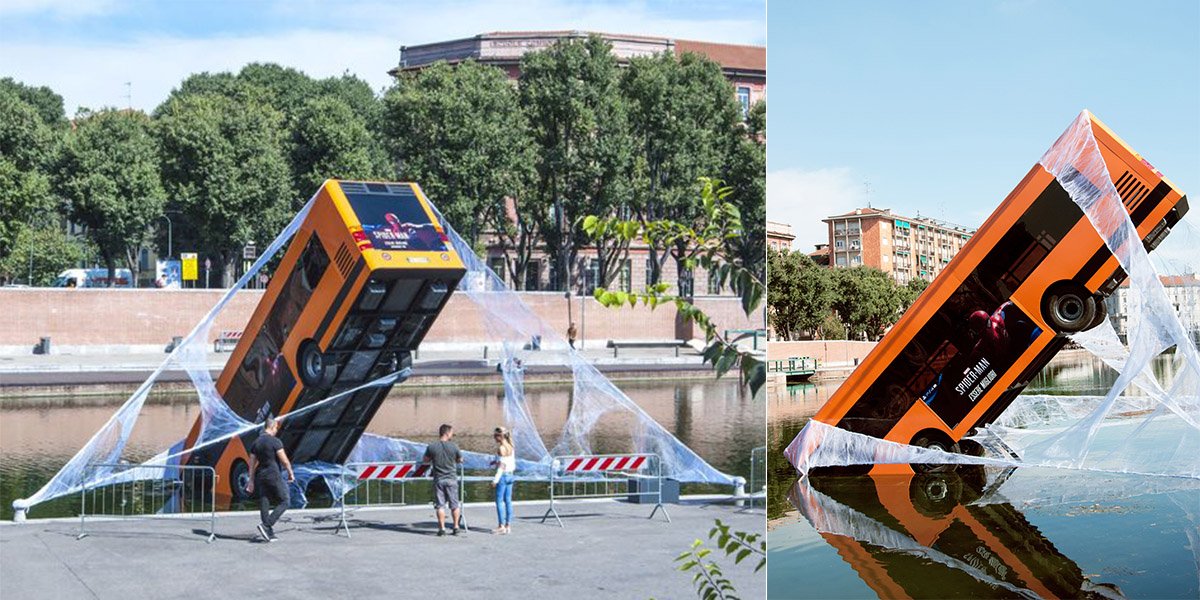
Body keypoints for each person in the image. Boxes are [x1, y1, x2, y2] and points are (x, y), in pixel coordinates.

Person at [247, 416, 294, 542]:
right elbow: (284, 460)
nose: (276, 431)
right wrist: (290, 473)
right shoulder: (275, 442)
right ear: (272, 427)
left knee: (265, 500)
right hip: (273, 474)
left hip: (261, 475)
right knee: (285, 501)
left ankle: (268, 532)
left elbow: (251, 464)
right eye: (276, 428)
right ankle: (267, 525)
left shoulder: (255, 443)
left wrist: (251, 481)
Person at [423, 424, 464, 536]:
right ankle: (456, 527)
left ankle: (442, 529)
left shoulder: (431, 447)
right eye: (451, 433)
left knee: (440, 505)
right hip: (451, 479)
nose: (452, 435)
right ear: (447, 433)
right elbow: (460, 460)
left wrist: (433, 458)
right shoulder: (454, 446)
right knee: (454, 504)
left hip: (439, 480)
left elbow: (425, 459)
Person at [490, 427, 516, 535]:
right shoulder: (511, 446)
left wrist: (495, 480)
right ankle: (508, 525)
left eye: (495, 436)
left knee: (499, 501)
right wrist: (496, 462)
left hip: (503, 476)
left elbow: (502, 466)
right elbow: (508, 462)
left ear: (499, 437)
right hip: (511, 475)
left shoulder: (501, 448)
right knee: (508, 501)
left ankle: (501, 526)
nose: (494, 438)